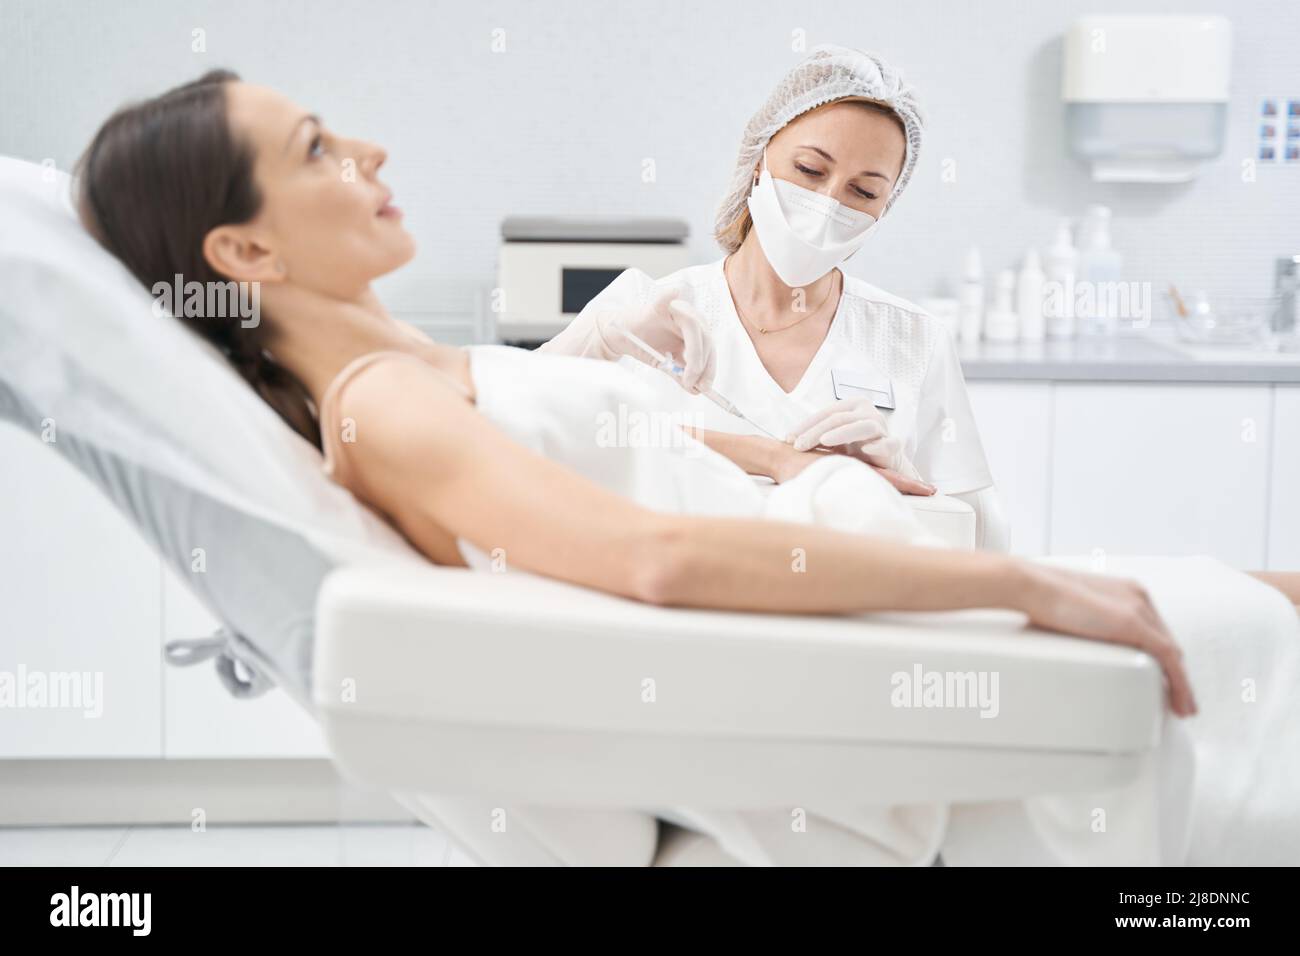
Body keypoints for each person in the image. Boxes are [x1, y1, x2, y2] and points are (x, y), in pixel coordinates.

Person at [75, 72, 1300, 865]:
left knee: (1251, 599)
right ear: (244, 247)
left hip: (856, 533)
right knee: (1247, 633)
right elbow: (653, 557)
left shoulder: (410, 362)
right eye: (319, 148)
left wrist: (768, 447)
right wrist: (1036, 589)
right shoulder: (384, 402)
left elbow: (617, 457)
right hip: (861, 625)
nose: (373, 149)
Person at [542, 46, 1008, 547]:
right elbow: (504, 433)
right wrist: (599, 336)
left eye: (864, 192)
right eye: (809, 169)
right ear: (758, 158)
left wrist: (910, 482)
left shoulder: (913, 338)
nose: (829, 202)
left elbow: (979, 542)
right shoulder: (642, 309)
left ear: (885, 207)